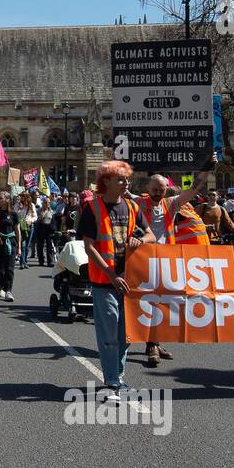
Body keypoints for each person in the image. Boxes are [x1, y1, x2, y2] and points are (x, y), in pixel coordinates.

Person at [79, 161, 155, 401]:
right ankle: (112, 380)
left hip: (130, 280)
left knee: (126, 334)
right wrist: (111, 275)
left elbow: (152, 234)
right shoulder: (93, 207)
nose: (126, 183)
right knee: (109, 331)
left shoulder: (133, 207)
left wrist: (141, 241)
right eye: (121, 179)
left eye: (126, 179)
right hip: (105, 280)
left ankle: (117, 377)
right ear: (106, 182)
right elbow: (89, 247)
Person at [135, 157, 213, 366]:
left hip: (166, 258)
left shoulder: (171, 204)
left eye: (161, 190)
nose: (158, 193)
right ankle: (151, 344)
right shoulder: (137, 202)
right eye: (155, 189)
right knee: (149, 300)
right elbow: (116, 191)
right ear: (147, 188)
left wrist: (205, 167)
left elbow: (195, 188)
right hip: (143, 258)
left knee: (163, 301)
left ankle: (155, 341)